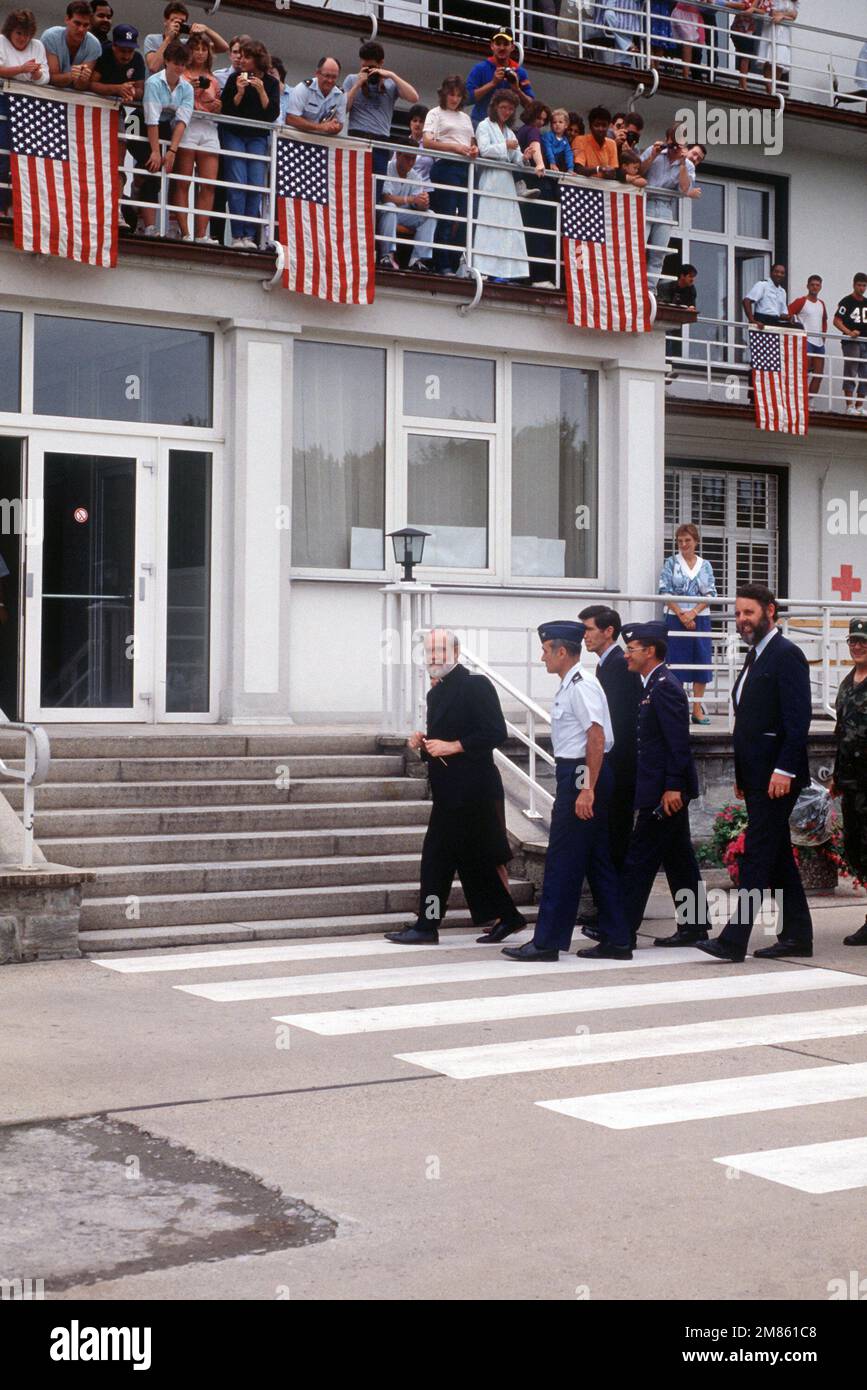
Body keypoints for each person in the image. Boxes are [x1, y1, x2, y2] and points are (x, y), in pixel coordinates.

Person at [385, 629, 526, 946]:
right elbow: (440, 748)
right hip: (449, 792)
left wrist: (455, 745)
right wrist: (422, 746)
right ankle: (507, 916)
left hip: (473, 790)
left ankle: (427, 923)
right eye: (429, 651)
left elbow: (495, 732)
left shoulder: (476, 685)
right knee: (468, 858)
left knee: (438, 858)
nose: (433, 657)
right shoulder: (435, 693)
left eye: (440, 650)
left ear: (457, 652)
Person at [502, 621, 632, 963]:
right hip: (578, 772)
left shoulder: (581, 685)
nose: (542, 656)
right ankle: (618, 938)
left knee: (562, 859)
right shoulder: (570, 684)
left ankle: (546, 942)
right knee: (596, 858)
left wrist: (586, 787)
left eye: (545, 650)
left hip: (581, 773)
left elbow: (597, 737)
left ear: (562, 651)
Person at [699, 583, 813, 963]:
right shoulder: (754, 657)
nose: (742, 620)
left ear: (770, 611)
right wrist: (743, 774)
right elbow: (750, 721)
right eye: (738, 613)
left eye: (749, 612)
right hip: (757, 776)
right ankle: (797, 934)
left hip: (779, 779)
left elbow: (797, 722)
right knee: (777, 854)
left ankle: (733, 940)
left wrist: (783, 769)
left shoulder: (787, 655)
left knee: (758, 856)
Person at [618, 620, 707, 947]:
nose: (626, 655)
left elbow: (677, 742)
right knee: (679, 859)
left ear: (650, 651)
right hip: (660, 787)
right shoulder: (652, 684)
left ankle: (620, 934)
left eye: (631, 649)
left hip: (663, 793)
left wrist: (672, 787)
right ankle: (694, 926)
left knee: (638, 861)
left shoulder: (665, 686)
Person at [577, 605, 641, 938]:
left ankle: (615, 920)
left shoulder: (617, 665)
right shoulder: (607, 665)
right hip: (616, 768)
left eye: (589, 629)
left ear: (608, 632)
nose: (584, 635)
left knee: (617, 841)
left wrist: (596, 776)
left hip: (620, 769)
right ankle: (615, 917)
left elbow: (614, 726)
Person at [829, 617, 867, 946]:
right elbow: (841, 733)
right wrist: (836, 776)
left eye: (863, 642)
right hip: (852, 783)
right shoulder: (846, 683)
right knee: (855, 849)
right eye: (852, 641)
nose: (856, 646)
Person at [220, 39, 279, 250]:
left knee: (255, 184)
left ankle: (250, 235)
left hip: (257, 136)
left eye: (246, 56)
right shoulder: (234, 78)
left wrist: (262, 91)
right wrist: (239, 93)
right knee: (238, 182)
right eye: (240, 56)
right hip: (234, 133)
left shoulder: (271, 83)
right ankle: (237, 235)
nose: (241, 60)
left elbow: (272, 114)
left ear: (257, 59)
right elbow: (225, 111)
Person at [87, 23, 145, 231]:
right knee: (92, 160)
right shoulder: (101, 53)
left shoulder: (137, 59)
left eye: (130, 50)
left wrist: (130, 92)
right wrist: (116, 89)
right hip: (92, 109)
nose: (126, 55)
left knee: (118, 163)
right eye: (122, 50)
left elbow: (140, 89)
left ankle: (116, 209)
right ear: (113, 46)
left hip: (117, 111)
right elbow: (91, 84)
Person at [658, 523, 717, 723]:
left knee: (701, 662)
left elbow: (710, 593)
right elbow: (664, 591)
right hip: (675, 617)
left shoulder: (705, 565)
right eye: (680, 541)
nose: (684, 544)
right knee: (677, 662)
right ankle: (679, 707)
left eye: (688, 540)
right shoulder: (671, 563)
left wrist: (692, 613)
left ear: (696, 542)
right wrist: (681, 614)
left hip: (699, 618)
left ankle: (697, 710)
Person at [473, 89, 531, 284]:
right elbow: (484, 150)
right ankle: (483, 268)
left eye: (510, 109)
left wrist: (526, 157)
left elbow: (517, 159)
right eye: (503, 107)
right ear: (495, 107)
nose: (506, 112)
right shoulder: (484, 125)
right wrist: (505, 146)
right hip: (490, 179)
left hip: (506, 182)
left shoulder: (509, 132)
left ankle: (506, 271)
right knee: (489, 224)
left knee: (508, 226)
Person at [422, 75, 477, 276]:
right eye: (451, 94)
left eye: (458, 95)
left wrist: (473, 150)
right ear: (444, 94)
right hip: (445, 166)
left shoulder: (465, 118)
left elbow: (471, 143)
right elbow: (427, 142)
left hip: (465, 167)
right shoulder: (435, 114)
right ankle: (442, 263)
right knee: (446, 216)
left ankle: (457, 262)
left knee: (465, 216)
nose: (454, 99)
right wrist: (453, 147)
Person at [138, 38, 192, 238]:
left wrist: (171, 151)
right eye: (176, 63)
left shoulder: (187, 88)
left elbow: (182, 121)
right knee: (151, 168)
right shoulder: (153, 82)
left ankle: (172, 227)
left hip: (167, 126)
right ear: (167, 61)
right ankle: (149, 225)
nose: (179, 67)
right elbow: (151, 118)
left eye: (183, 64)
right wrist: (155, 151)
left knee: (171, 170)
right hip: (144, 124)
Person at [344, 41, 419, 180]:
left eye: (371, 67)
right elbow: (343, 109)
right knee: (353, 184)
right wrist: (358, 85)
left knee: (376, 187)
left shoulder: (390, 84)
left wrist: (392, 75)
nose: (368, 70)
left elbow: (414, 97)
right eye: (364, 66)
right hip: (357, 138)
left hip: (380, 142)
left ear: (381, 63)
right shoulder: (352, 79)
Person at [0, 9, 49, 216]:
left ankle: (20, 211)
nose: (23, 38)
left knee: (25, 159)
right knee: (2, 154)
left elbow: (45, 76)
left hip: (29, 105)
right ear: (11, 31)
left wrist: (36, 72)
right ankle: (1, 208)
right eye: (19, 33)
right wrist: (21, 69)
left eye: (27, 34)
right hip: (2, 101)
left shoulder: (37, 46)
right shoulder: (1, 41)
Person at [174, 32, 221, 244]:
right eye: (197, 48)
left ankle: (202, 234)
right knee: (183, 181)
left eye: (204, 49)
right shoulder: (182, 74)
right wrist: (187, 90)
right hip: (188, 125)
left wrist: (217, 105)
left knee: (209, 183)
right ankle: (185, 232)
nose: (200, 53)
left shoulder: (214, 79)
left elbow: (217, 107)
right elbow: (172, 101)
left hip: (209, 128)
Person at [641, 134, 705, 285]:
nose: (695, 158)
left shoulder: (688, 166)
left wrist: (682, 163)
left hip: (665, 207)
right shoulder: (656, 150)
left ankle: (651, 288)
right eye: (694, 154)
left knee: (658, 252)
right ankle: (633, 283)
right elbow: (637, 170)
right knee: (639, 247)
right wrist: (653, 154)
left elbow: (683, 188)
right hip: (646, 202)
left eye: (699, 158)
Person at [376, 148, 435, 272]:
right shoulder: (386, 168)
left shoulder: (416, 176)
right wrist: (411, 199)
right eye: (407, 157)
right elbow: (386, 197)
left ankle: (417, 260)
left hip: (403, 214)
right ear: (398, 154)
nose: (411, 162)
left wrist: (423, 203)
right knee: (390, 207)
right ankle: (387, 256)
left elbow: (417, 205)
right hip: (382, 212)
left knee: (430, 215)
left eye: (413, 158)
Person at [465, 28, 534, 128]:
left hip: (505, 127)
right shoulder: (480, 68)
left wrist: (517, 90)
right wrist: (492, 83)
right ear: (492, 46)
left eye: (506, 44)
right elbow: (466, 99)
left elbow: (531, 107)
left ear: (512, 47)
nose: (502, 48)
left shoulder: (520, 72)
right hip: (479, 123)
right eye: (498, 43)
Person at [143, 4, 227, 75]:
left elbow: (224, 47)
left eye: (182, 22)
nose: (178, 25)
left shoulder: (186, 44)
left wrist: (206, 29)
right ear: (166, 21)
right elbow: (153, 67)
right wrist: (169, 38)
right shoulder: (152, 39)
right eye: (174, 20)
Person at [41, 1, 101, 89]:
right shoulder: (51, 37)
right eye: (77, 23)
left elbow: (80, 86)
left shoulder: (94, 45)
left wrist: (82, 79)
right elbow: (51, 78)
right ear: (67, 20)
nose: (81, 29)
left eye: (86, 25)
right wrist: (71, 75)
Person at [283, 56, 346, 136]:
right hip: (297, 139)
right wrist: (320, 127)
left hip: (320, 142)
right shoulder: (304, 88)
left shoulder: (341, 95)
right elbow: (290, 118)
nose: (330, 80)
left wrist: (334, 127)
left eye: (334, 77)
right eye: (327, 76)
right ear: (317, 73)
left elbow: (340, 124)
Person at [788, 274, 827, 401]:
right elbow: (787, 313)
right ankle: (799, 400)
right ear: (807, 286)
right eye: (812, 285)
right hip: (806, 341)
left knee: (818, 374)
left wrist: (823, 336)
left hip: (819, 343)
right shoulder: (801, 301)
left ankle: (808, 401)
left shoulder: (821, 303)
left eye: (817, 285)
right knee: (804, 372)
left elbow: (824, 320)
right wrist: (795, 325)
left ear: (820, 287)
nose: (815, 287)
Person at [833, 272, 867, 416]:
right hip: (852, 342)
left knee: (865, 375)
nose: (862, 288)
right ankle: (849, 405)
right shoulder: (846, 301)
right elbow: (836, 320)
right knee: (850, 372)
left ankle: (859, 406)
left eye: (864, 285)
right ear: (854, 285)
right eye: (859, 285)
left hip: (866, 342)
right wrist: (849, 332)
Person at [758, 0, 798, 92]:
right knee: (769, 59)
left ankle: (773, 88)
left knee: (780, 62)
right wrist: (786, 14)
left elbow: (794, 15)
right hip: (771, 29)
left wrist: (782, 16)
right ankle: (769, 89)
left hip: (784, 33)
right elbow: (771, 12)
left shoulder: (792, 2)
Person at [572, 105, 618, 176]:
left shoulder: (612, 143)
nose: (600, 129)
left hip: (604, 186)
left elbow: (613, 171)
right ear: (590, 126)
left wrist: (610, 173)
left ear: (608, 126)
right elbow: (578, 169)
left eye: (604, 125)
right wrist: (599, 169)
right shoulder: (580, 140)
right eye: (597, 125)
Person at [743, 262, 793, 327]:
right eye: (776, 272)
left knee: (799, 327)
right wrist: (752, 320)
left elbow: (781, 314)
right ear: (771, 272)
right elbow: (746, 301)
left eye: (782, 273)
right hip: (762, 321)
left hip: (775, 322)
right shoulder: (763, 285)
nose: (779, 274)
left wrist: (789, 317)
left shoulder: (782, 291)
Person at [729, 0, 761, 91]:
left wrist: (754, 8)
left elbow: (762, 10)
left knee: (746, 57)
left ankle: (741, 83)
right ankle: (743, 85)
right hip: (740, 28)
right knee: (745, 57)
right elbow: (745, 6)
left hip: (748, 30)